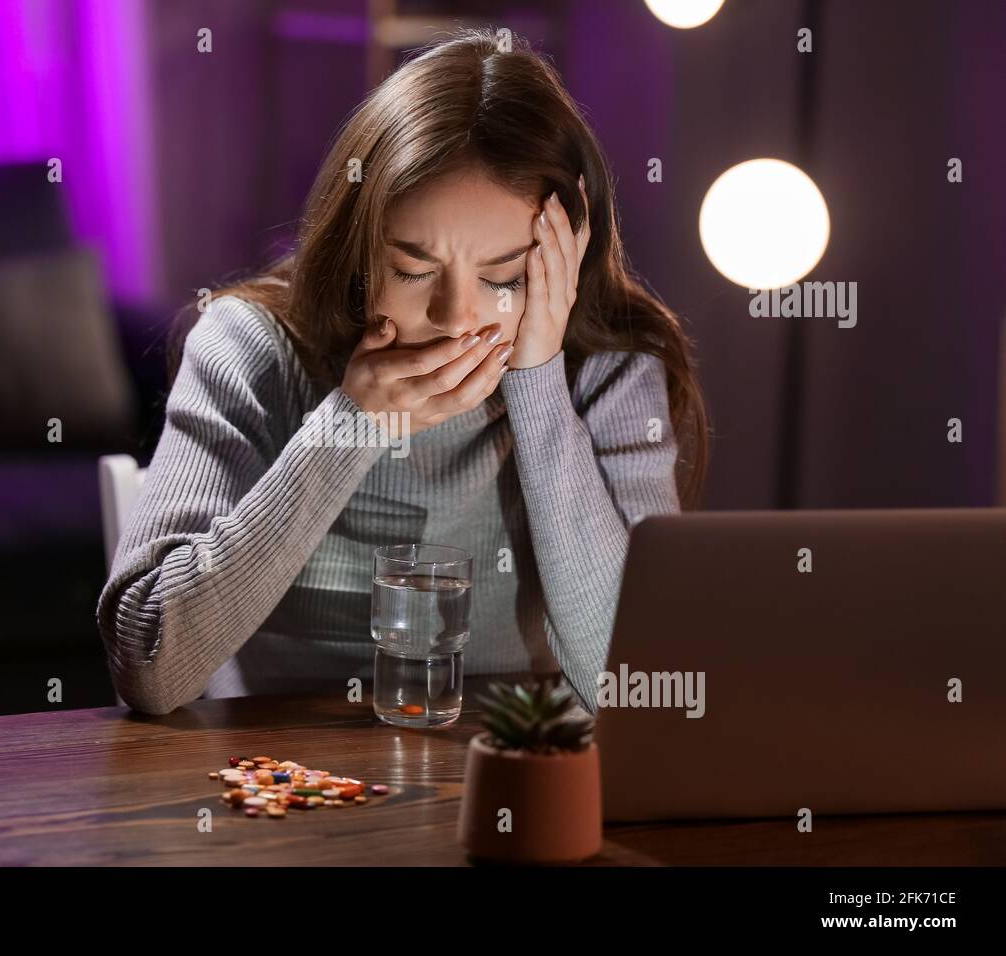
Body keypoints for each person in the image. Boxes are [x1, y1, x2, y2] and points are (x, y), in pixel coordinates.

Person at [98, 29, 708, 715]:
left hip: (505, 759)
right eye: (413, 270)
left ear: (564, 261)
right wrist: (349, 427)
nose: (454, 316)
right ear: (358, 251)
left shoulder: (610, 372)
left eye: (503, 277)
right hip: (280, 765)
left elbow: (632, 688)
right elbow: (149, 669)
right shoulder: (252, 347)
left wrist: (538, 383)